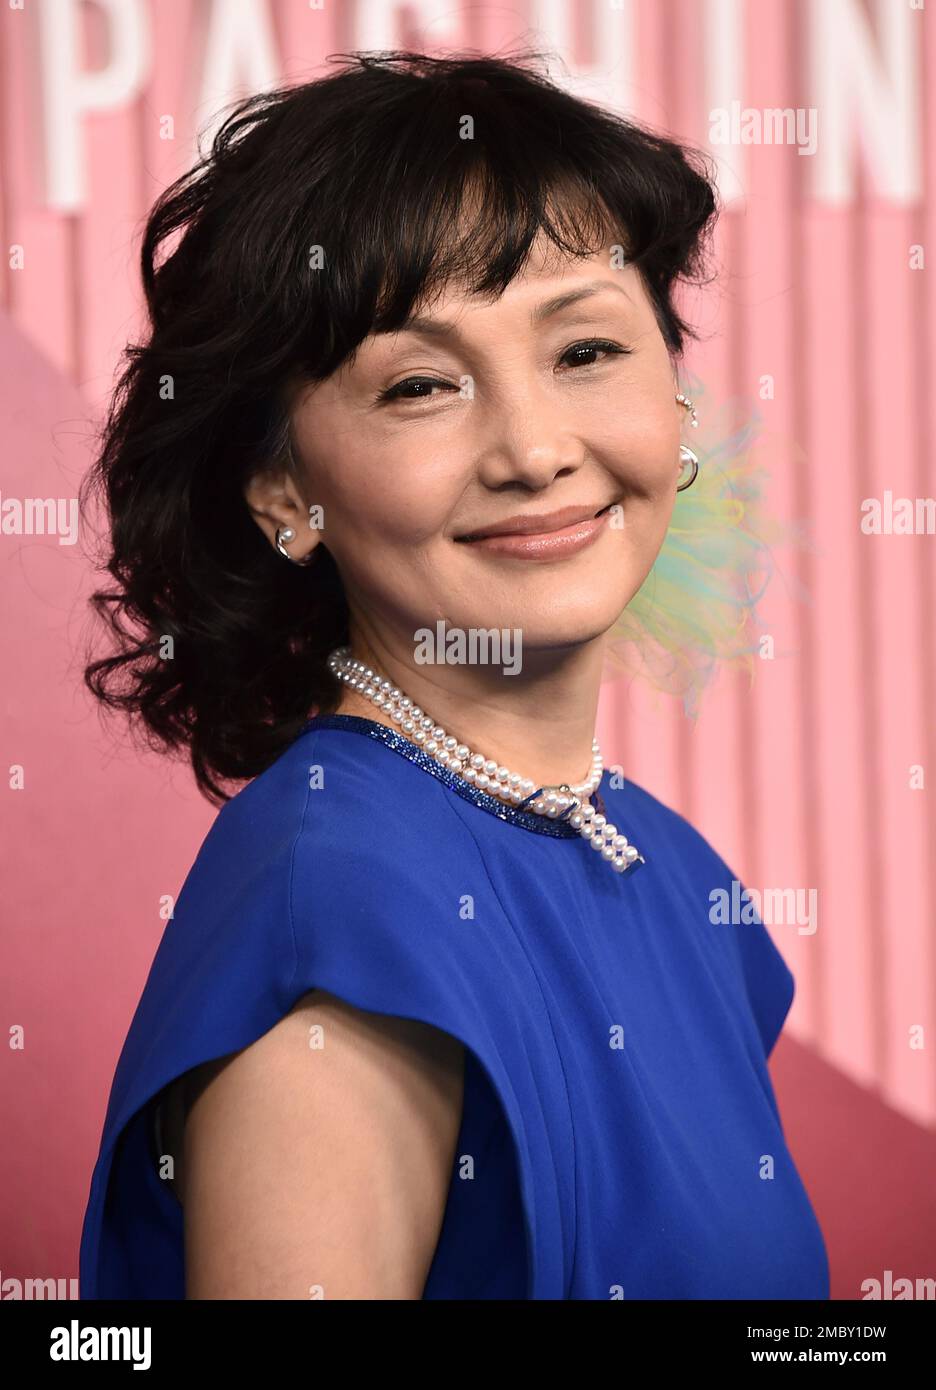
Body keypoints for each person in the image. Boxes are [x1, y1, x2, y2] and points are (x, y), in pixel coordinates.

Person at [77, 49, 830, 1300]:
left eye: (586, 351)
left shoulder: (667, 870)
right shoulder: (342, 921)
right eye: (422, 384)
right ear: (284, 494)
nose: (535, 449)